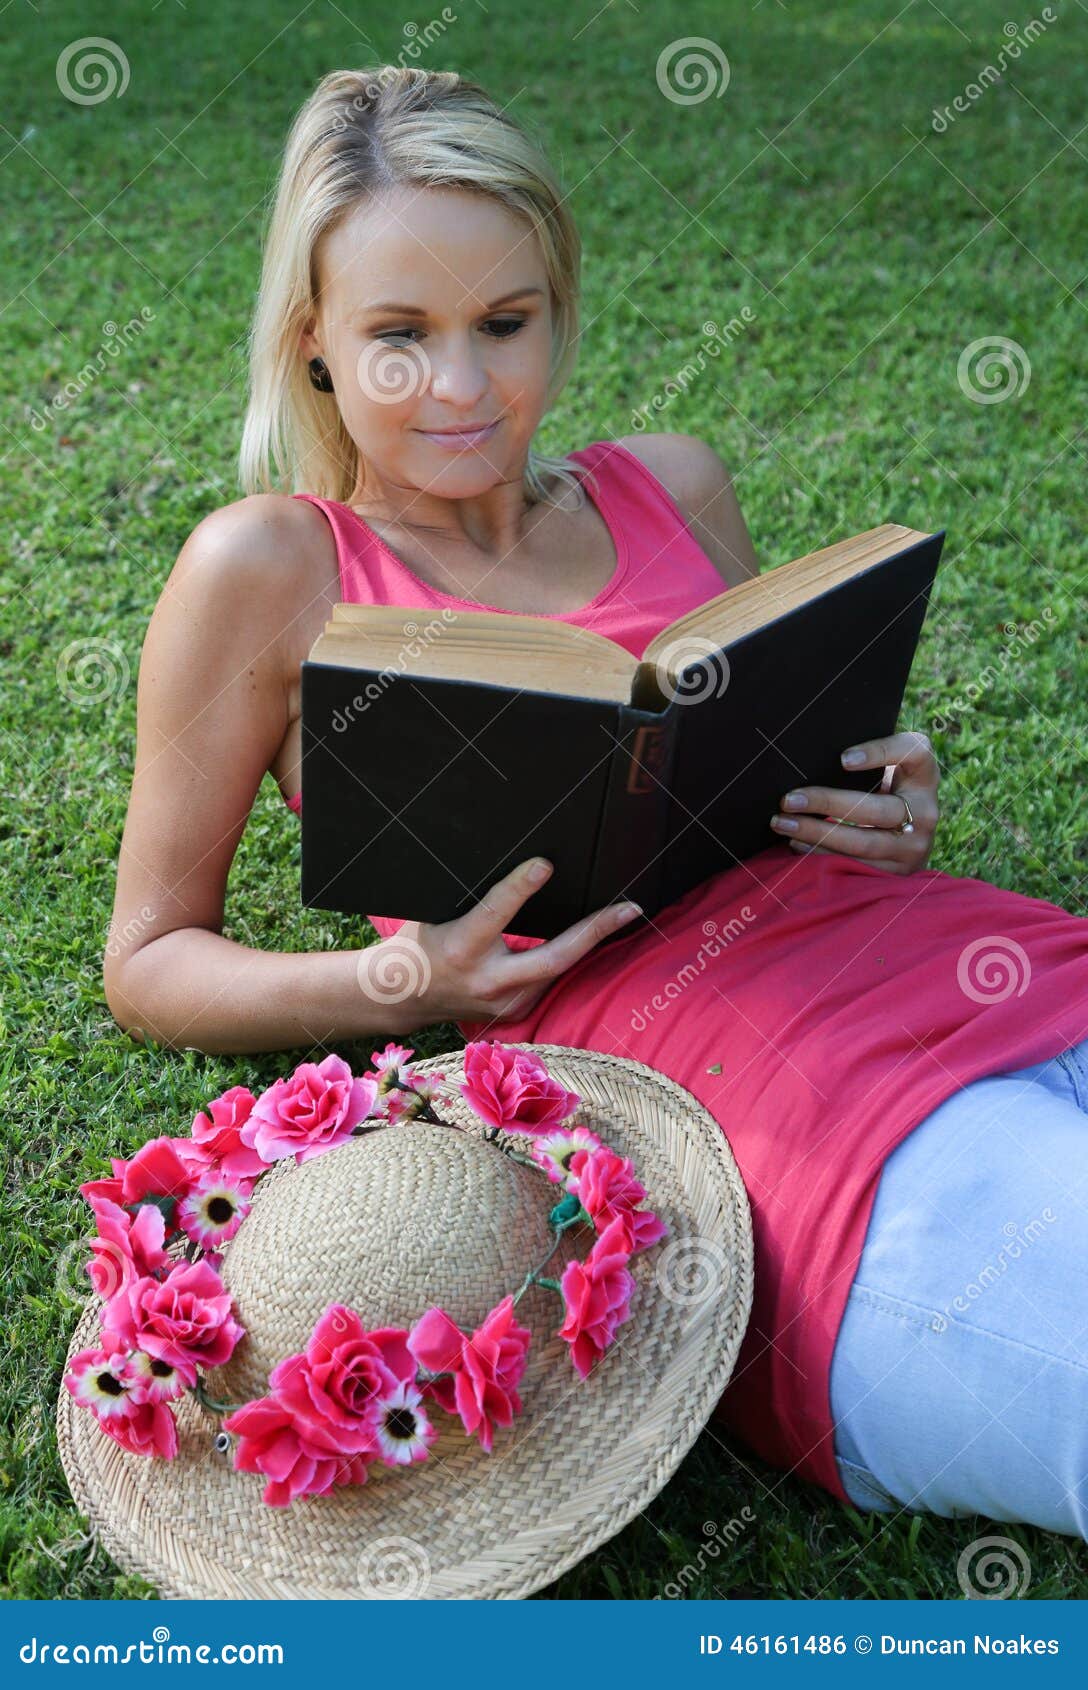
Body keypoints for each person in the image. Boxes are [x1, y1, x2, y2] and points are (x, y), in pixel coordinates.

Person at [103, 66, 1088, 1539]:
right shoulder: (268, 568)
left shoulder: (672, 484)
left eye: (505, 324)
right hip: (766, 1109)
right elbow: (149, 958)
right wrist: (403, 977)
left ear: (560, 304)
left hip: (989, 970)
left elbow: (763, 756)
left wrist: (879, 795)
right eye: (398, 336)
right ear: (311, 340)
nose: (461, 386)